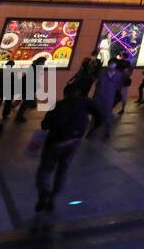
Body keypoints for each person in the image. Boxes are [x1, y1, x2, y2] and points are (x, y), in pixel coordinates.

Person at [35, 84, 101, 212]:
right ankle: (53, 198)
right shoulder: (84, 103)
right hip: (74, 142)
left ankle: (44, 194)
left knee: (45, 170)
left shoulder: (58, 106)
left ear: (65, 93)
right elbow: (99, 114)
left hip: (55, 143)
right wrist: (92, 129)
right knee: (62, 170)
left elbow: (45, 125)